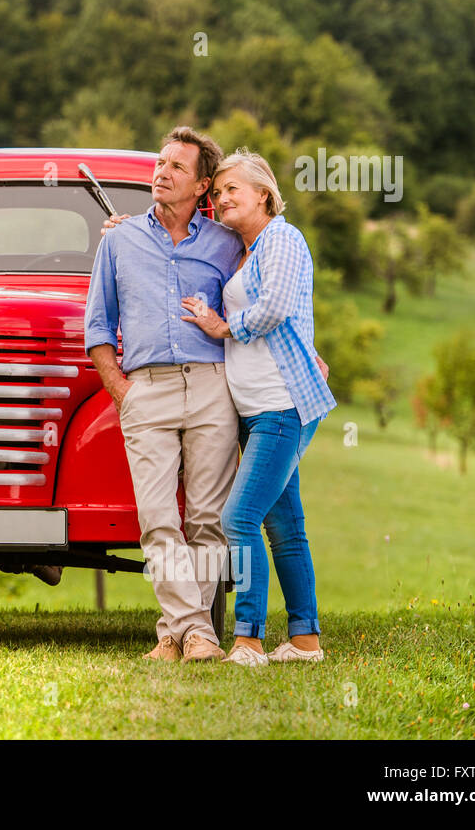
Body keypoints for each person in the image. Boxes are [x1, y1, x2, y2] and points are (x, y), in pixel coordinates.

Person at [84, 126, 243, 663]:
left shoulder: (226, 244)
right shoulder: (119, 239)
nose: (162, 171)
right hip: (144, 390)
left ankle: (175, 636)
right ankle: (196, 630)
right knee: (157, 518)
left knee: (205, 519)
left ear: (202, 186)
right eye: (160, 162)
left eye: (177, 167)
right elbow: (98, 328)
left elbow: (252, 302)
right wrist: (122, 391)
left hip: (210, 386)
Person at [178, 149, 336, 666]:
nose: (222, 199)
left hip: (284, 403)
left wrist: (226, 327)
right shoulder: (243, 250)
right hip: (255, 409)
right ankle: (306, 640)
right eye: (217, 191)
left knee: (238, 518)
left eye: (232, 191)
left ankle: (247, 640)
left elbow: (275, 307)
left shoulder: (283, 238)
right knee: (284, 525)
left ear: (264, 195)